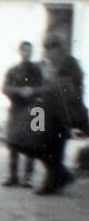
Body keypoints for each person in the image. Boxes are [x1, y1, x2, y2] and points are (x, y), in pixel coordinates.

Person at [32, 32, 85, 195]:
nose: (49, 52)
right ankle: (61, 175)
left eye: (52, 48)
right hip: (43, 111)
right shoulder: (46, 63)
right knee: (38, 143)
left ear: (60, 48)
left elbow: (74, 88)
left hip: (62, 112)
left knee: (55, 148)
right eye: (47, 48)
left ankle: (54, 180)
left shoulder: (70, 63)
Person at [0, 41, 42, 188]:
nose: (26, 53)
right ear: (19, 52)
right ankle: (13, 176)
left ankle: (28, 178)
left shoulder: (38, 70)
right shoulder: (13, 70)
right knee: (13, 141)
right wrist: (18, 91)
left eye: (29, 51)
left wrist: (33, 91)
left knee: (33, 142)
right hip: (17, 108)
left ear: (32, 52)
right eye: (24, 50)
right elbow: (4, 88)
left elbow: (45, 88)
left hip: (36, 109)